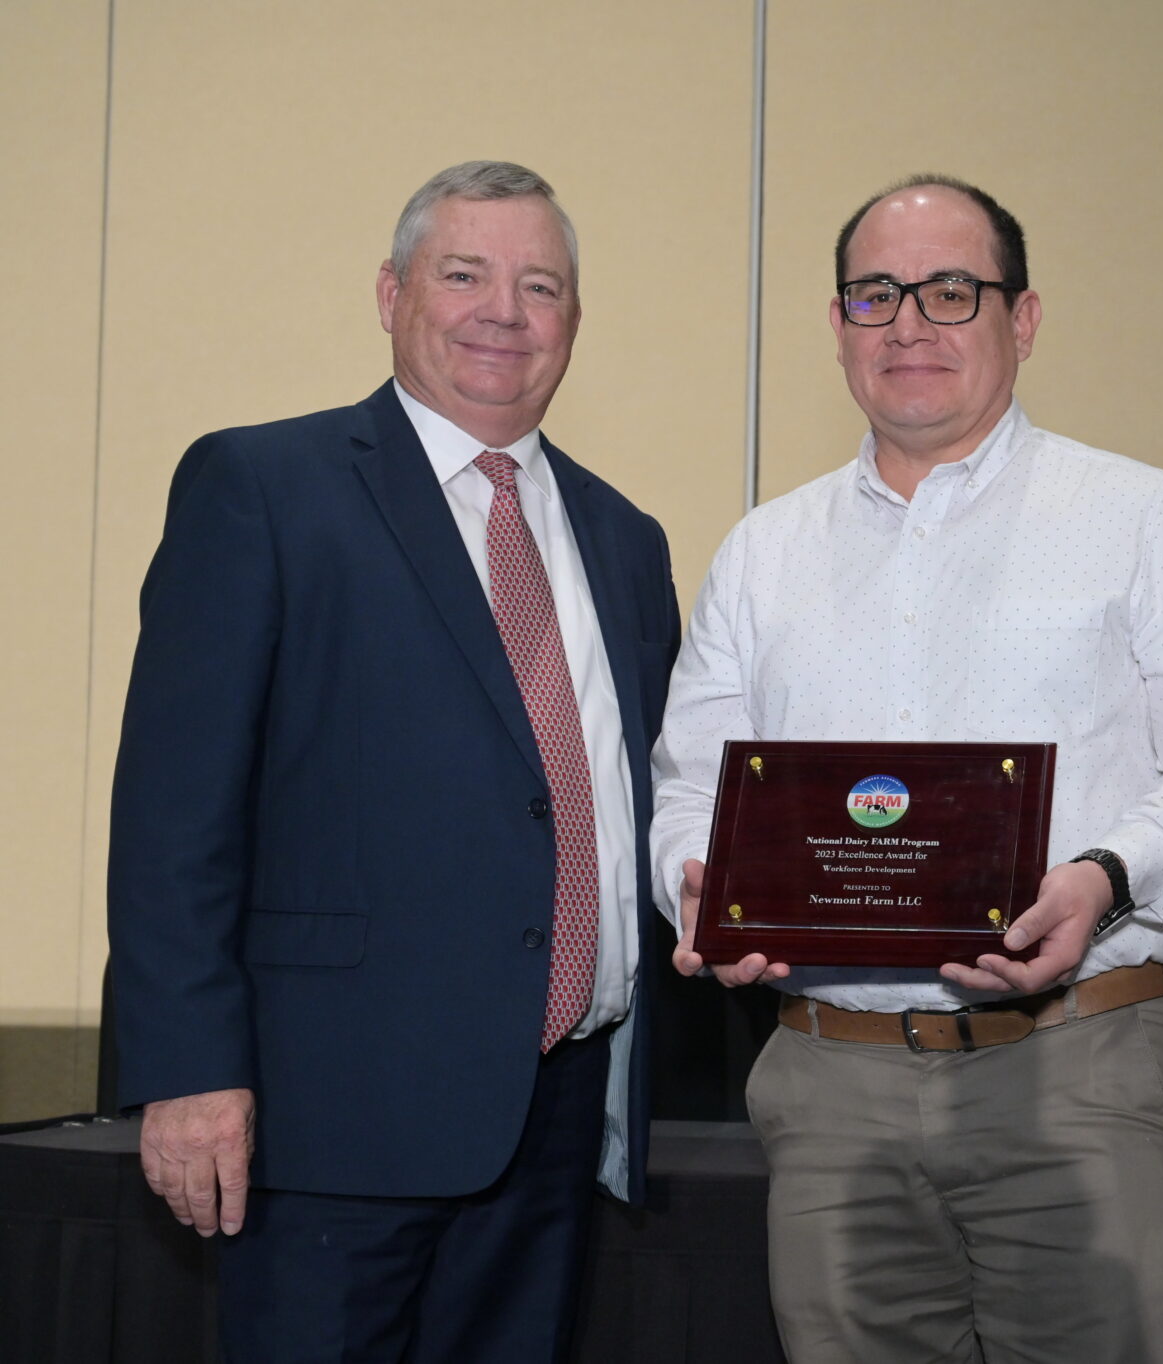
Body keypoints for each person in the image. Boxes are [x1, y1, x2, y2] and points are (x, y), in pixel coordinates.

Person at [650, 175, 1163, 1363]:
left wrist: (1107, 872)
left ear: (1025, 317)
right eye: (874, 294)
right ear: (838, 324)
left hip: (1077, 1068)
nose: (909, 323)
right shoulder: (762, 553)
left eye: (951, 290)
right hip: (830, 1086)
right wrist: (694, 880)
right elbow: (694, 780)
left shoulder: (1139, 516)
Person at [106, 161, 681, 1363]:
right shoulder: (263, 488)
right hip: (330, 1116)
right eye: (463, 273)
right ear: (390, 292)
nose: (502, 312)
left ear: (574, 321)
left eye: (541, 286)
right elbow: (174, 815)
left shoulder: (625, 539)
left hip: (559, 1110)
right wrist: (190, 1072)